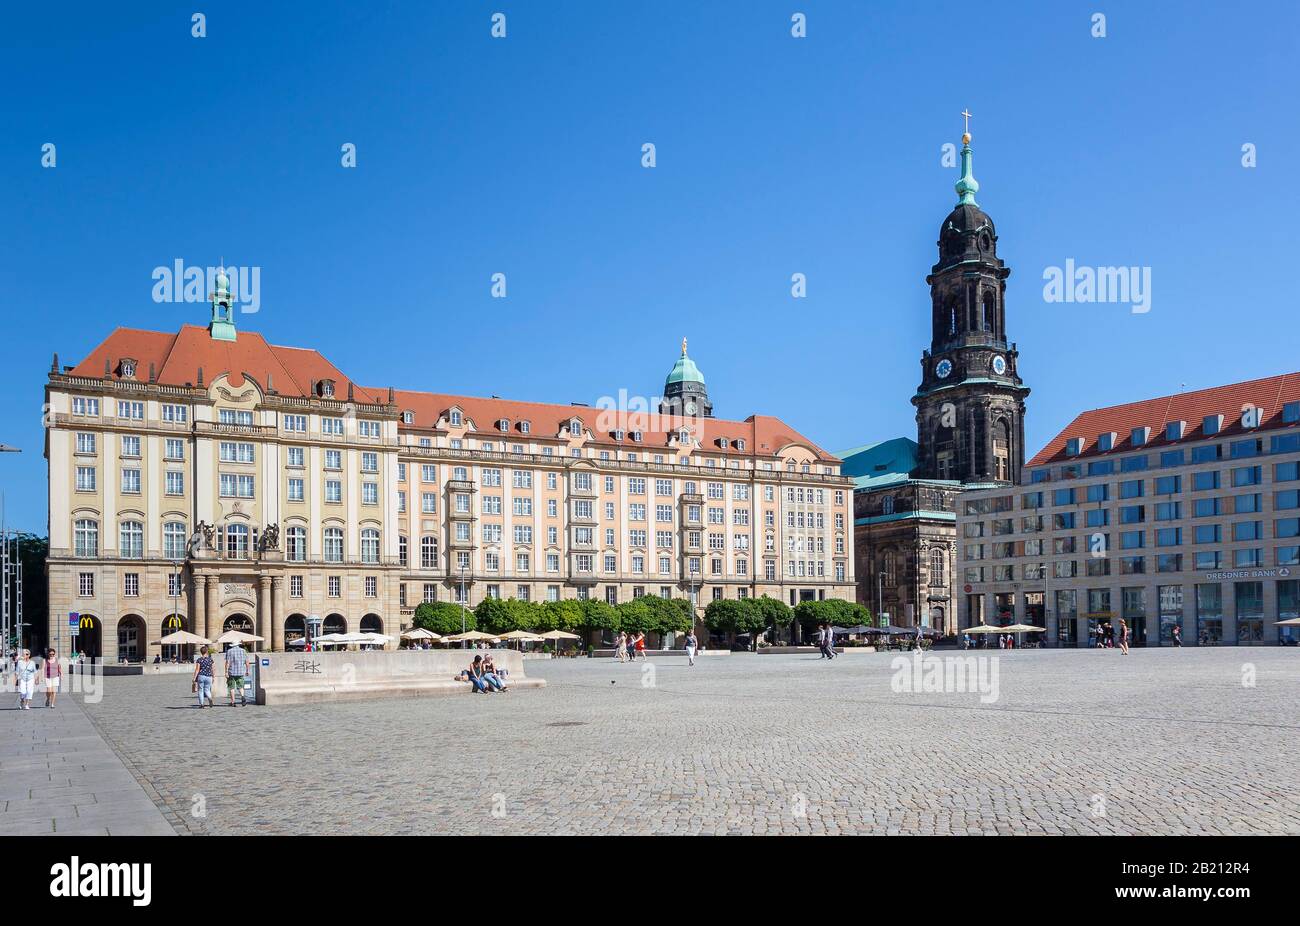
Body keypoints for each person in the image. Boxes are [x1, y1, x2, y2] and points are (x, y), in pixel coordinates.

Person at [224, 640, 250, 706]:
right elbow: (247, 662)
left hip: (231, 672)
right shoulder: (243, 651)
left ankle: (233, 702)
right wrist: (247, 670)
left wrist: (226, 671)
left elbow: (227, 662)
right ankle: (243, 697)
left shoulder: (229, 651)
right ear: (238, 644)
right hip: (241, 672)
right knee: (241, 687)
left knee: (231, 687)